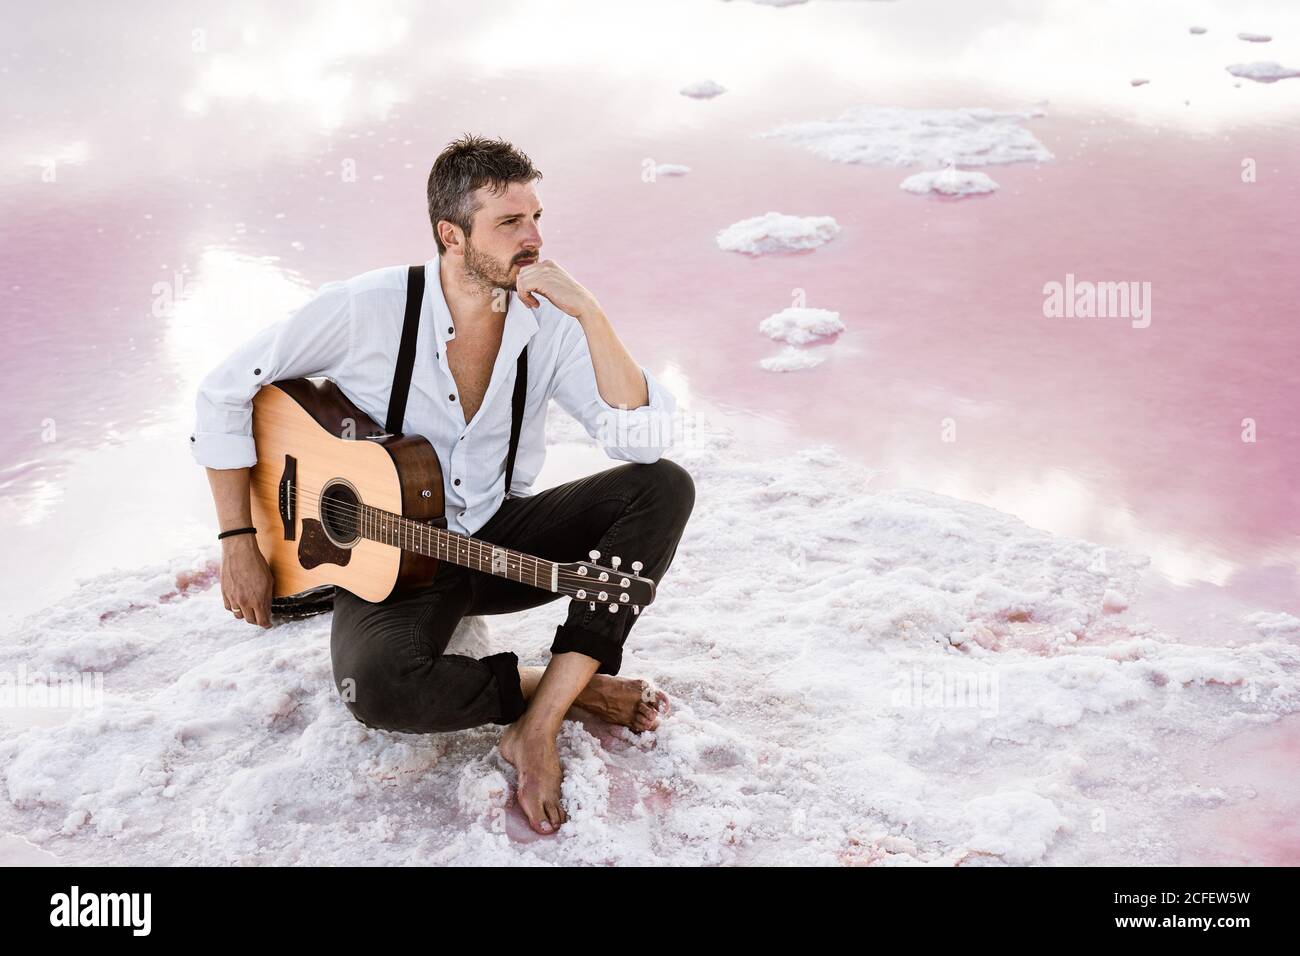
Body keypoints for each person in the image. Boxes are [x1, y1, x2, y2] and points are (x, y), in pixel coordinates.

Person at [190, 134, 695, 835]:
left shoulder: (547, 322)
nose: (535, 239)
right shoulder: (365, 308)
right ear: (450, 235)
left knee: (663, 487)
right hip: (388, 562)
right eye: (510, 223)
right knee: (378, 688)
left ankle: (540, 721)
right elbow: (223, 392)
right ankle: (570, 691)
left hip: (495, 538)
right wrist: (238, 538)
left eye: (536, 218)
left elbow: (642, 441)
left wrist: (592, 314)